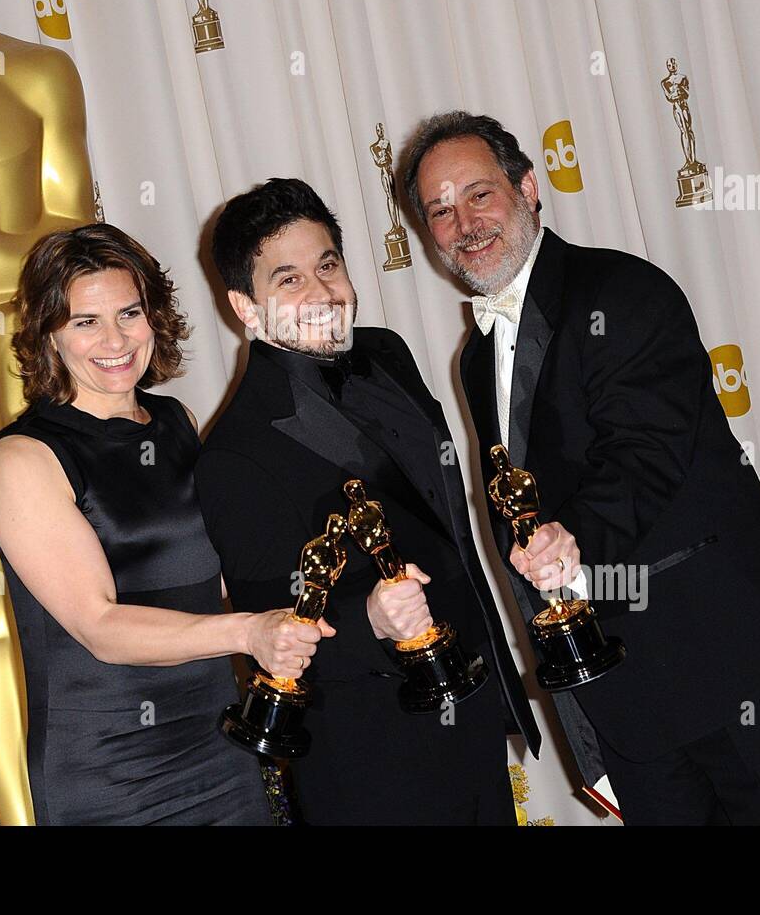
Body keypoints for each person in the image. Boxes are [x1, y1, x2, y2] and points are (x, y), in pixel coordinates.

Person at [398, 110, 760, 826]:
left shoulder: (621, 291)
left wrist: (575, 537)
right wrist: (580, 719)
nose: (463, 222)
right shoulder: (473, 359)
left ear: (528, 187)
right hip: (623, 695)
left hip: (730, 655)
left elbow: (646, 450)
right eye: (438, 211)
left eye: (478, 194)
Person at [195, 178, 548, 825]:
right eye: (289, 280)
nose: (324, 293)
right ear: (246, 308)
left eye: (328, 265)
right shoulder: (232, 457)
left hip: (468, 703)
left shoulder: (386, 352)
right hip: (370, 763)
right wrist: (373, 621)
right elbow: (269, 640)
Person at [0, 223, 325, 825]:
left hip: (220, 744)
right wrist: (249, 634)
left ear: (153, 316)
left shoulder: (176, 421)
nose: (114, 338)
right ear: (49, 335)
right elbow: (101, 626)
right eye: (85, 321)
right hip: (110, 770)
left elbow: (215, 575)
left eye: (129, 312)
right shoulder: (24, 458)